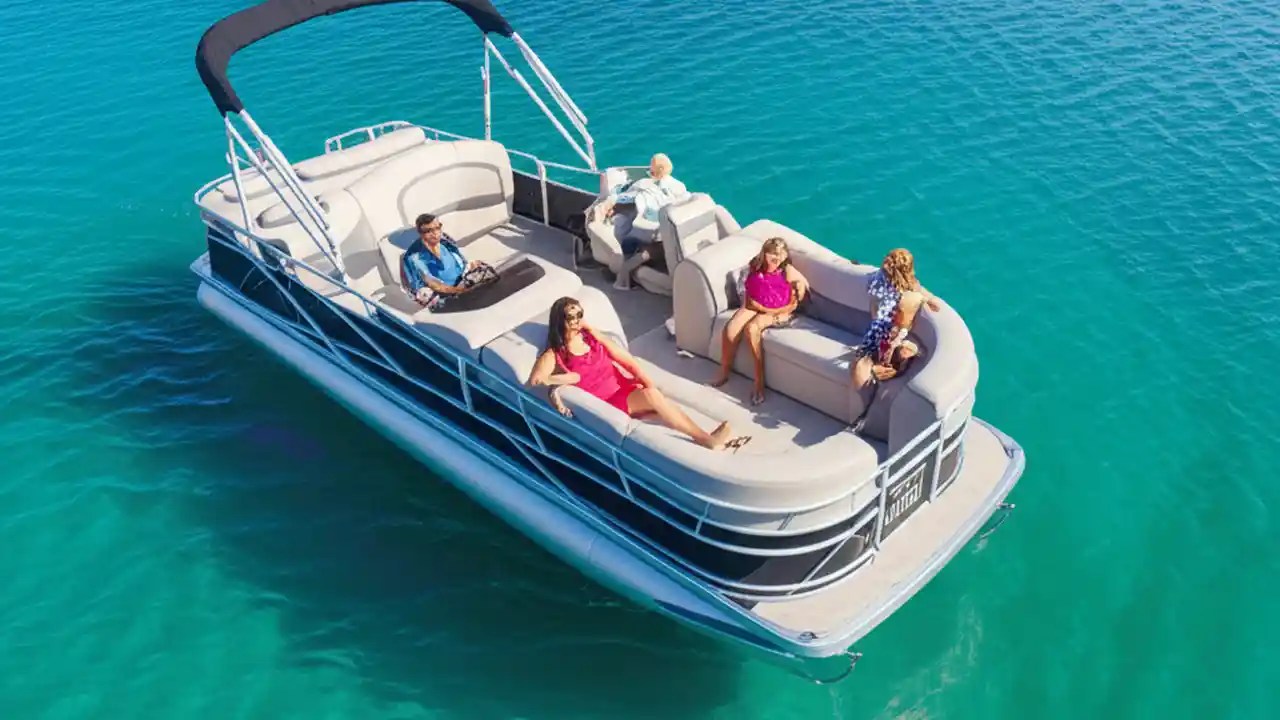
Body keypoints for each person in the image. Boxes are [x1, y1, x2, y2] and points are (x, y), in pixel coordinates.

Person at [527, 297, 746, 451]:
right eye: (570, 317)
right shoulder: (555, 354)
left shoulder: (592, 337)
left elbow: (628, 362)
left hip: (623, 390)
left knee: (657, 399)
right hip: (607, 402)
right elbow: (535, 380)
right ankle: (706, 440)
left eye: (579, 315)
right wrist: (560, 383)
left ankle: (703, 435)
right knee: (653, 399)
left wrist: (647, 383)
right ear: (560, 321)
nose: (576, 321)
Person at [709, 237, 810, 405]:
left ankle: (759, 380)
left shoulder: (787, 270)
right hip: (756, 303)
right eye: (772, 254)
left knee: (752, 329)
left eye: (780, 256)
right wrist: (754, 306)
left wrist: (797, 287)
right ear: (764, 253)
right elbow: (750, 294)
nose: (776, 259)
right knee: (731, 329)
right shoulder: (755, 266)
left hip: (779, 309)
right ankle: (724, 371)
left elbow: (802, 288)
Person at [597, 153, 689, 289]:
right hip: (675, 234)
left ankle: (622, 277)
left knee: (627, 238)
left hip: (655, 237)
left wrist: (608, 207)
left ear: (652, 170)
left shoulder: (644, 186)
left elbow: (622, 199)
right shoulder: (679, 187)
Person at [850, 248, 940, 363]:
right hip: (892, 327)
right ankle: (892, 358)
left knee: (880, 343)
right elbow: (916, 290)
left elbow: (875, 302)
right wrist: (928, 300)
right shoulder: (907, 286)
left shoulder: (878, 279)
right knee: (887, 347)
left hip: (877, 324)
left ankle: (884, 355)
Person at [400, 213, 498, 312]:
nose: (435, 233)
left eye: (438, 228)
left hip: (462, 282)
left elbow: (460, 260)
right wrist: (461, 291)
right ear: (420, 232)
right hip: (442, 296)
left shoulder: (445, 240)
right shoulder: (414, 257)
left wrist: (471, 267)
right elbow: (434, 285)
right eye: (429, 231)